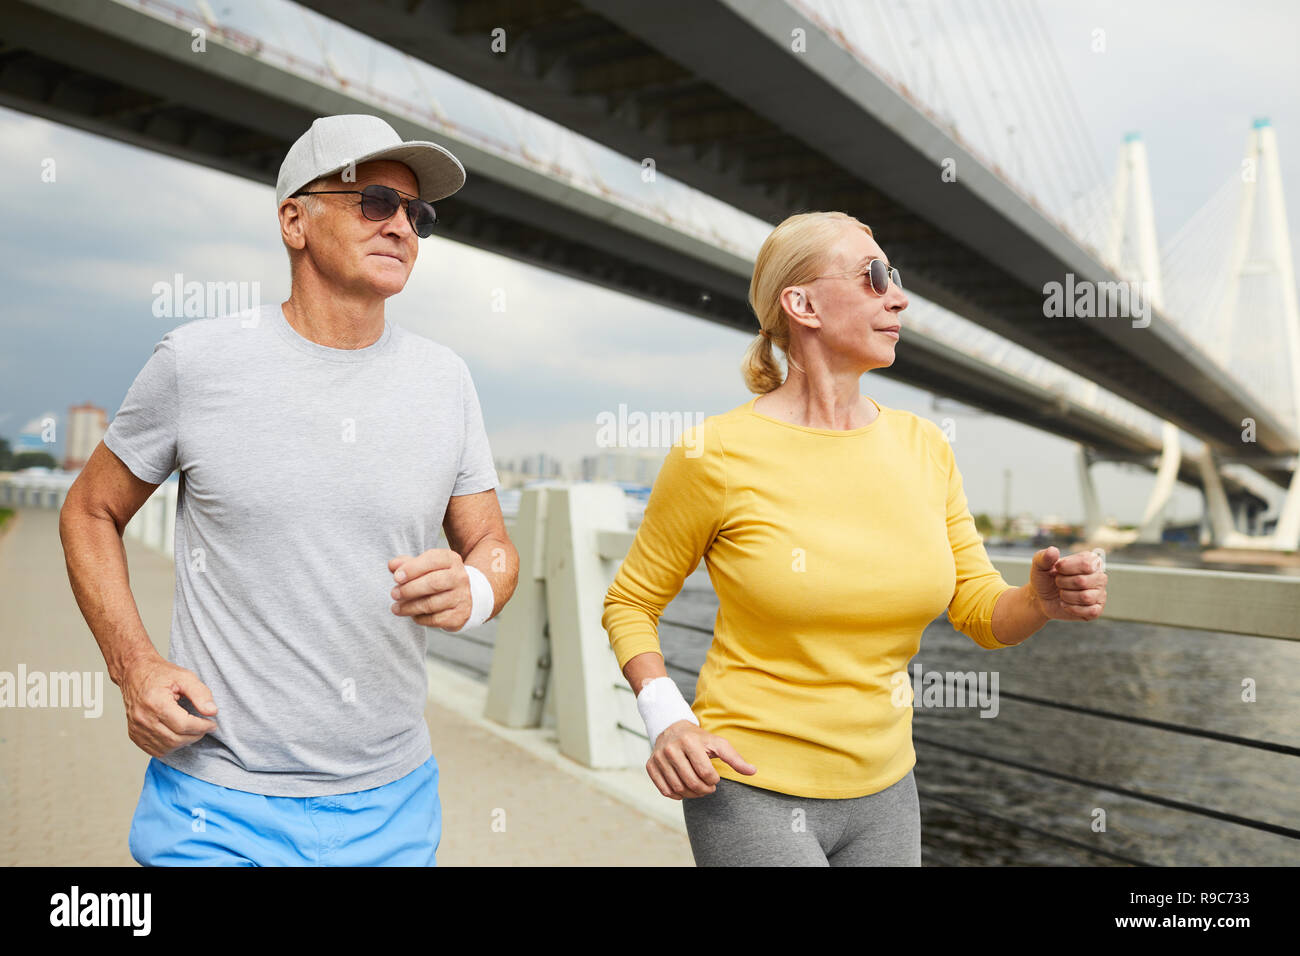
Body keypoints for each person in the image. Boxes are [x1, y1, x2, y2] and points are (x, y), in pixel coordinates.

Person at [59, 114, 518, 866]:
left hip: (391, 803)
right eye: (375, 200)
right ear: (294, 221)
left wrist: (472, 589)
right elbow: (89, 510)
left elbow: (495, 548)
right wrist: (134, 664)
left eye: (418, 213)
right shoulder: (196, 363)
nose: (402, 224)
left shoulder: (446, 381)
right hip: (215, 801)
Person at [602, 211, 1108, 866]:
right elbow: (631, 604)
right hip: (749, 781)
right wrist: (666, 717)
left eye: (893, 278)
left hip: (889, 793)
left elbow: (981, 612)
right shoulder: (715, 453)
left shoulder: (926, 446)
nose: (897, 295)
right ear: (801, 303)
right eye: (873, 276)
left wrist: (1039, 601)